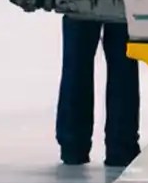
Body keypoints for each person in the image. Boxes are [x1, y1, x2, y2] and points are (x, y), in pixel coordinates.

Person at [56, 16, 140, 167]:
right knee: (123, 69)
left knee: (76, 66)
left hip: (79, 3)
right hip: (123, 5)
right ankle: (122, 147)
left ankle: (72, 146)